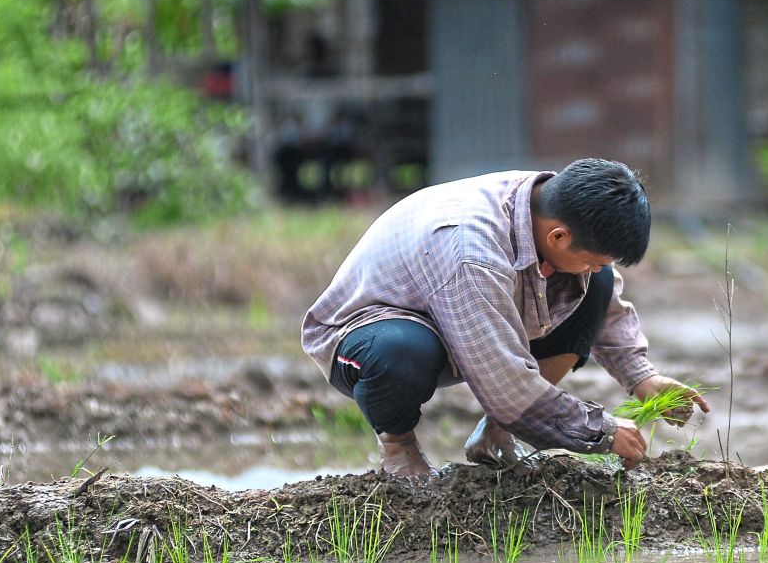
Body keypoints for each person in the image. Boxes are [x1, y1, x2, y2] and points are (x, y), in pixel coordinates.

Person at [301, 158, 709, 477]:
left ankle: (496, 433)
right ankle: (398, 445)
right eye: (588, 259)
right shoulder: (470, 251)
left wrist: (642, 377)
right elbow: (504, 384)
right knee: (402, 352)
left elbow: (605, 302)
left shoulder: (551, 203)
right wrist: (601, 431)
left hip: (468, 317)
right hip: (367, 333)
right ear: (559, 238)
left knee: (596, 286)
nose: (590, 268)